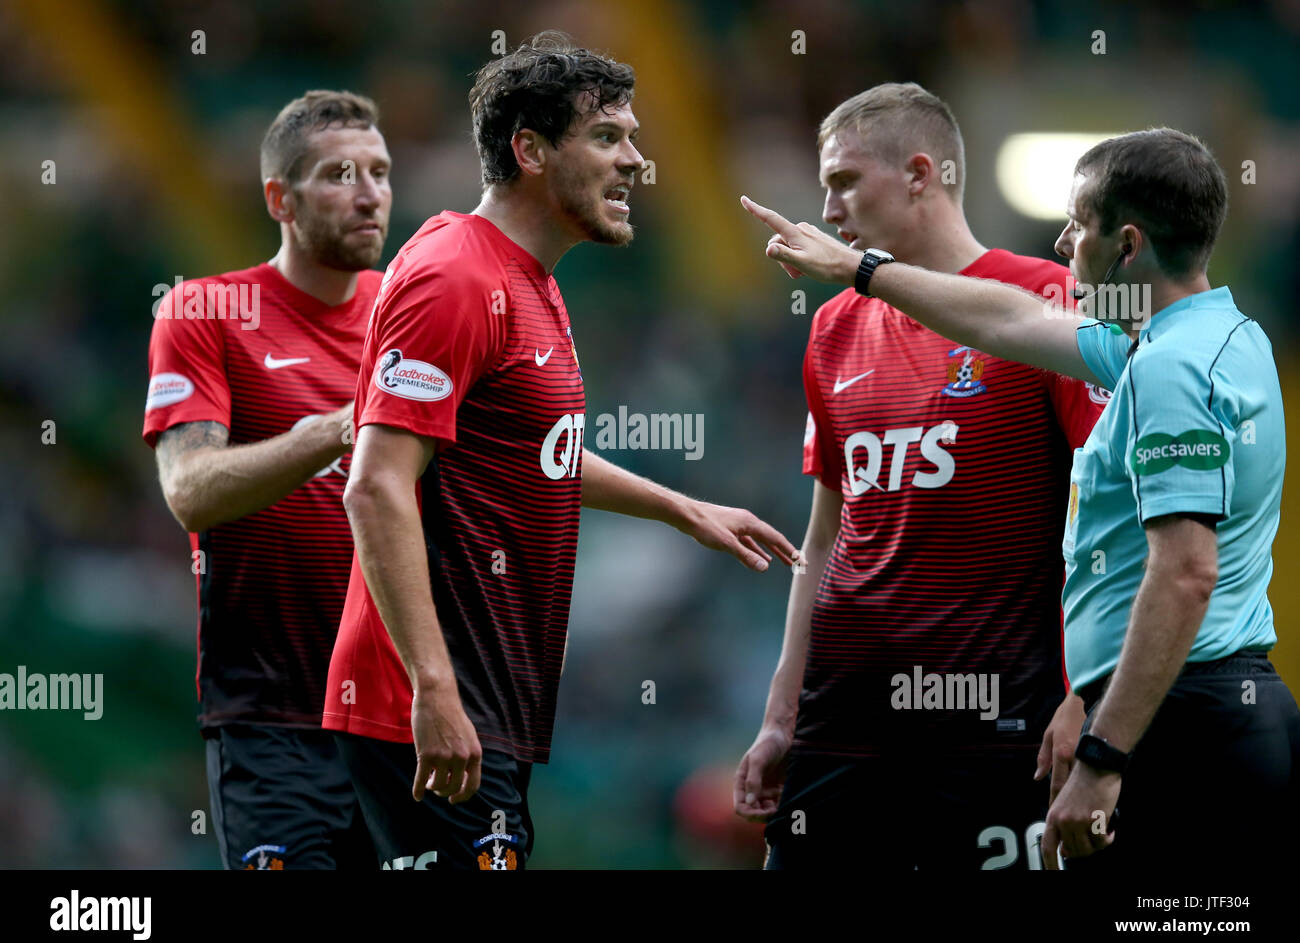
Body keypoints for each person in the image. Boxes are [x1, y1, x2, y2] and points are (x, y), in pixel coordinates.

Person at [742, 126, 1299, 871]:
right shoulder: (1202, 339)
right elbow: (1009, 320)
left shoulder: (1172, 368)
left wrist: (1102, 754)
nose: (1065, 245)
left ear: (1127, 247)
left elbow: (1185, 572)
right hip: (1206, 710)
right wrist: (859, 270)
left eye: (1079, 225)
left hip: (1185, 723)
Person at [323, 32, 797, 871]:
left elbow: (530, 452)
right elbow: (376, 486)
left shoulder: (529, 282)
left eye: (635, 139)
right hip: (427, 706)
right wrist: (433, 689)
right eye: (609, 139)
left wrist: (680, 508)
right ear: (531, 151)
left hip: (484, 703)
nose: (636, 163)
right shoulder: (454, 277)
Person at [731, 83, 1107, 870]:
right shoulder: (833, 326)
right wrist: (781, 711)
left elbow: (1110, 519)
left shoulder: (1042, 302)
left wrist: (1091, 696)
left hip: (999, 724)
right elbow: (828, 536)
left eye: (843, 182)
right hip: (846, 727)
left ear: (919, 173)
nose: (827, 209)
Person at [143, 90, 391, 869]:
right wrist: (324, 433)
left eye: (381, 172)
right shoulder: (206, 310)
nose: (369, 194)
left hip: (408, 720)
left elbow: (521, 453)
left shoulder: (407, 310)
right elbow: (190, 489)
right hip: (274, 721)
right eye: (340, 174)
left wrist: (678, 507)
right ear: (279, 199)